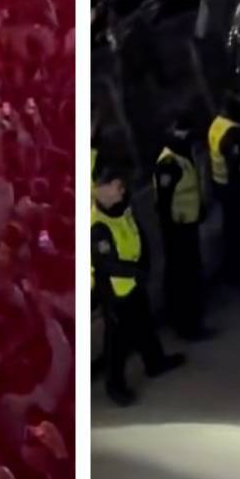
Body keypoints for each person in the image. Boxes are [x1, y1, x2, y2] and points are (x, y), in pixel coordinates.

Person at [91, 163, 184, 407]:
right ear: (101, 188)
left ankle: (155, 362)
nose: (122, 191)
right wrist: (137, 272)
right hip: (115, 290)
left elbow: (136, 232)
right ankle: (115, 386)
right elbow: (106, 264)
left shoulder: (121, 207)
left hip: (134, 281)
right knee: (117, 342)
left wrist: (143, 267)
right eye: (118, 186)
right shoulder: (96, 226)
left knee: (144, 324)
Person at [151, 117, 212, 342]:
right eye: (183, 131)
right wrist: (174, 229)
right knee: (183, 277)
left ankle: (192, 321)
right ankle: (188, 326)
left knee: (191, 274)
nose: (188, 136)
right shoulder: (169, 162)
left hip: (187, 225)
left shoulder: (182, 156)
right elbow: (164, 203)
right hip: (177, 231)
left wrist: (199, 209)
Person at [207, 95, 240, 289]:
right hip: (235, 189)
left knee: (231, 230)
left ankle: (233, 271)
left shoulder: (216, 124)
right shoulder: (234, 134)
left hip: (220, 186)